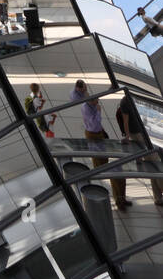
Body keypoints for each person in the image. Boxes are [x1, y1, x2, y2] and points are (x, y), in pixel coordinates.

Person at [70, 80, 128, 209]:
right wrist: (98, 111)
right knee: (107, 169)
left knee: (112, 170)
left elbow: (85, 96)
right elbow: (95, 124)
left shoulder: (86, 101)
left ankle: (121, 199)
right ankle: (120, 200)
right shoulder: (89, 109)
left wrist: (108, 89)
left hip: (98, 136)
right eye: (95, 100)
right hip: (95, 137)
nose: (97, 100)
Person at [116, 94, 163, 207]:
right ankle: (160, 193)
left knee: (153, 166)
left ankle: (158, 198)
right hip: (137, 134)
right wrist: (127, 136)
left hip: (141, 132)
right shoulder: (125, 102)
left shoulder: (133, 99)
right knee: (155, 163)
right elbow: (126, 121)